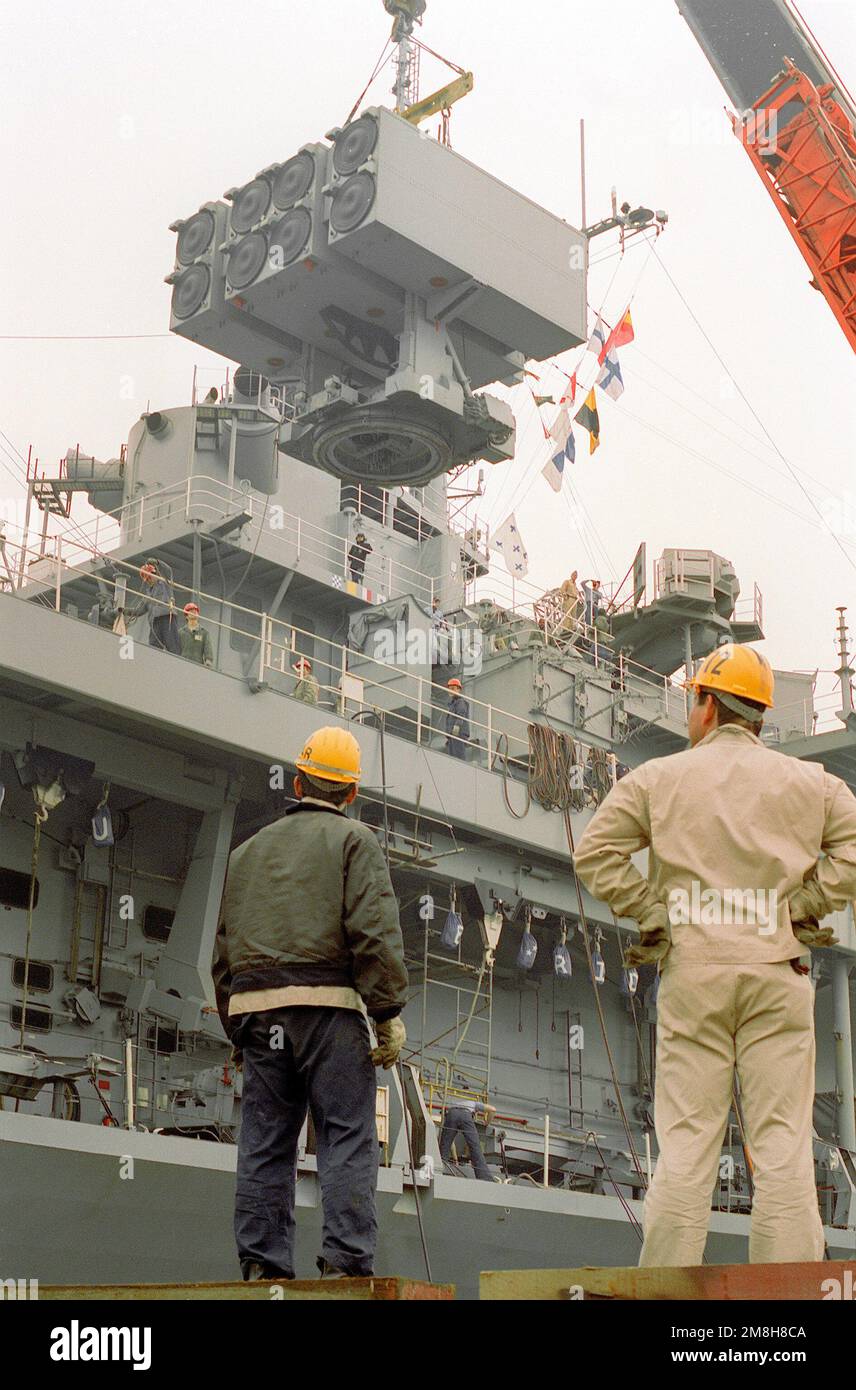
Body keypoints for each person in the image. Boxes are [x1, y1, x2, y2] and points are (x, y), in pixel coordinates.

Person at [573, 642, 856, 1267]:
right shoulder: (812, 783)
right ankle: (790, 1303)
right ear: (759, 715)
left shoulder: (656, 779)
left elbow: (595, 855)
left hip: (693, 974)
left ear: (705, 704)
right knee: (781, 1146)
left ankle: (666, 1294)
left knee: (686, 1148)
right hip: (777, 970)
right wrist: (806, 904)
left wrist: (652, 912)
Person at [212, 726, 409, 1281]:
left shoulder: (246, 851)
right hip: (329, 1010)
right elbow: (372, 932)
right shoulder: (356, 842)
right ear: (351, 795)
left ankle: (262, 1267)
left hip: (257, 1011)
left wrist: (237, 1030)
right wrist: (387, 1013)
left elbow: (224, 950)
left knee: (265, 1141)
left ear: (297, 782)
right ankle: (345, 1265)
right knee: (346, 1133)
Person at [439, 1088, 497, 1181]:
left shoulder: (455, 1105)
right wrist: (487, 1123)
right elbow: (493, 1110)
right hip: (465, 1115)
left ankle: (439, 1170)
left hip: (451, 1113)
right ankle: (484, 1177)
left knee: (444, 1144)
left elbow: (451, 1143)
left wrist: (455, 1159)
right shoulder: (474, 1104)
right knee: (475, 1147)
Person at [126, 558, 181, 653]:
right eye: (146, 579)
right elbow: (139, 610)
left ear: (155, 574)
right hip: (154, 622)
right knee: (153, 647)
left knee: (173, 646)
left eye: (149, 577)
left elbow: (168, 570)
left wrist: (158, 562)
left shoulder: (165, 583)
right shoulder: (148, 594)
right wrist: (124, 610)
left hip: (167, 617)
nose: (149, 580)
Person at [179, 602, 214, 667]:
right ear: (186, 616)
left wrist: (208, 660)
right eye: (191, 611)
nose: (194, 612)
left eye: (195, 611)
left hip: (197, 665)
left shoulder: (204, 633)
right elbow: (176, 648)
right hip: (182, 664)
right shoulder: (181, 632)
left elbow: (208, 648)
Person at [445, 677, 470, 760]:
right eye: (449, 689)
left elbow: (461, 714)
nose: (451, 691)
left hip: (458, 734)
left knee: (459, 757)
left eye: (453, 688)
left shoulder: (461, 702)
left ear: (459, 690)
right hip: (452, 734)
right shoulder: (452, 704)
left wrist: (456, 727)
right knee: (452, 757)